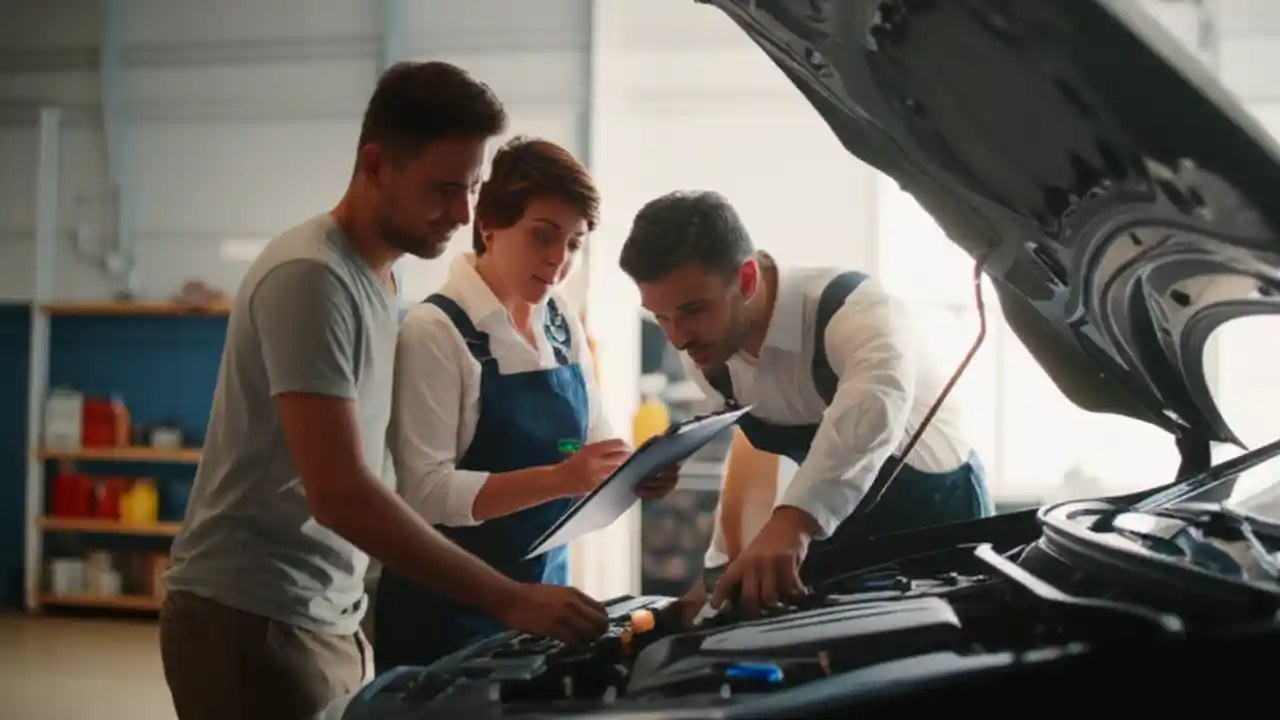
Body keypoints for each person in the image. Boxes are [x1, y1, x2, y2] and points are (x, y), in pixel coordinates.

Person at [158, 62, 608, 720]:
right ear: (376, 165)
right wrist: (508, 598)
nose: (462, 212)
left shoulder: (382, 279)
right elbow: (341, 494)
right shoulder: (313, 277)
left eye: (472, 188)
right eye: (444, 189)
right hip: (253, 617)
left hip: (324, 613)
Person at [374, 136, 679, 672]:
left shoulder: (559, 319)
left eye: (575, 243)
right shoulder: (436, 332)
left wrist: (632, 472)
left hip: (545, 602)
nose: (559, 260)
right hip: (446, 614)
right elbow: (423, 493)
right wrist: (563, 478)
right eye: (543, 236)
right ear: (489, 224)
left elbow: (596, 442)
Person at [618, 189, 994, 621]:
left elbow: (873, 410)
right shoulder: (708, 358)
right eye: (660, 317)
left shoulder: (856, 312)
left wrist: (792, 523)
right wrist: (715, 573)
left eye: (692, 311)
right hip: (841, 537)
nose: (677, 337)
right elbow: (749, 458)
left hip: (942, 529)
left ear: (745, 280)